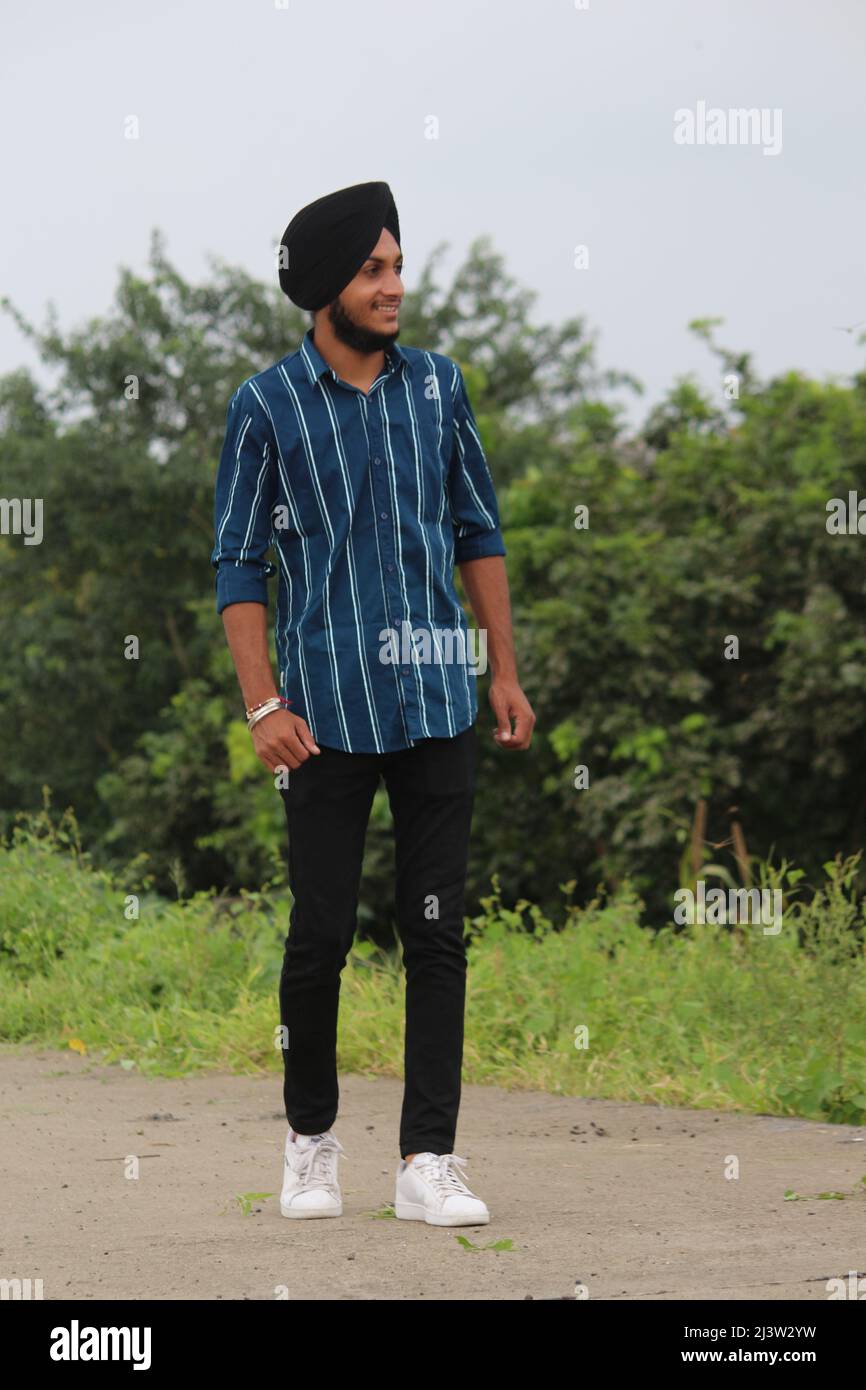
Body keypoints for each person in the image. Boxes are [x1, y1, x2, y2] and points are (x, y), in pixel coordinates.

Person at [211, 180, 535, 1226]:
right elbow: (238, 564)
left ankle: (425, 1160)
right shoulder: (265, 407)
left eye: (396, 266)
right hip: (321, 715)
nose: (394, 285)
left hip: (438, 694)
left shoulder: (438, 389)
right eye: (373, 270)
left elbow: (477, 529)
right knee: (320, 936)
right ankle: (309, 1147)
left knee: (434, 929)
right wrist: (262, 706)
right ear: (324, 289)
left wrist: (502, 670)